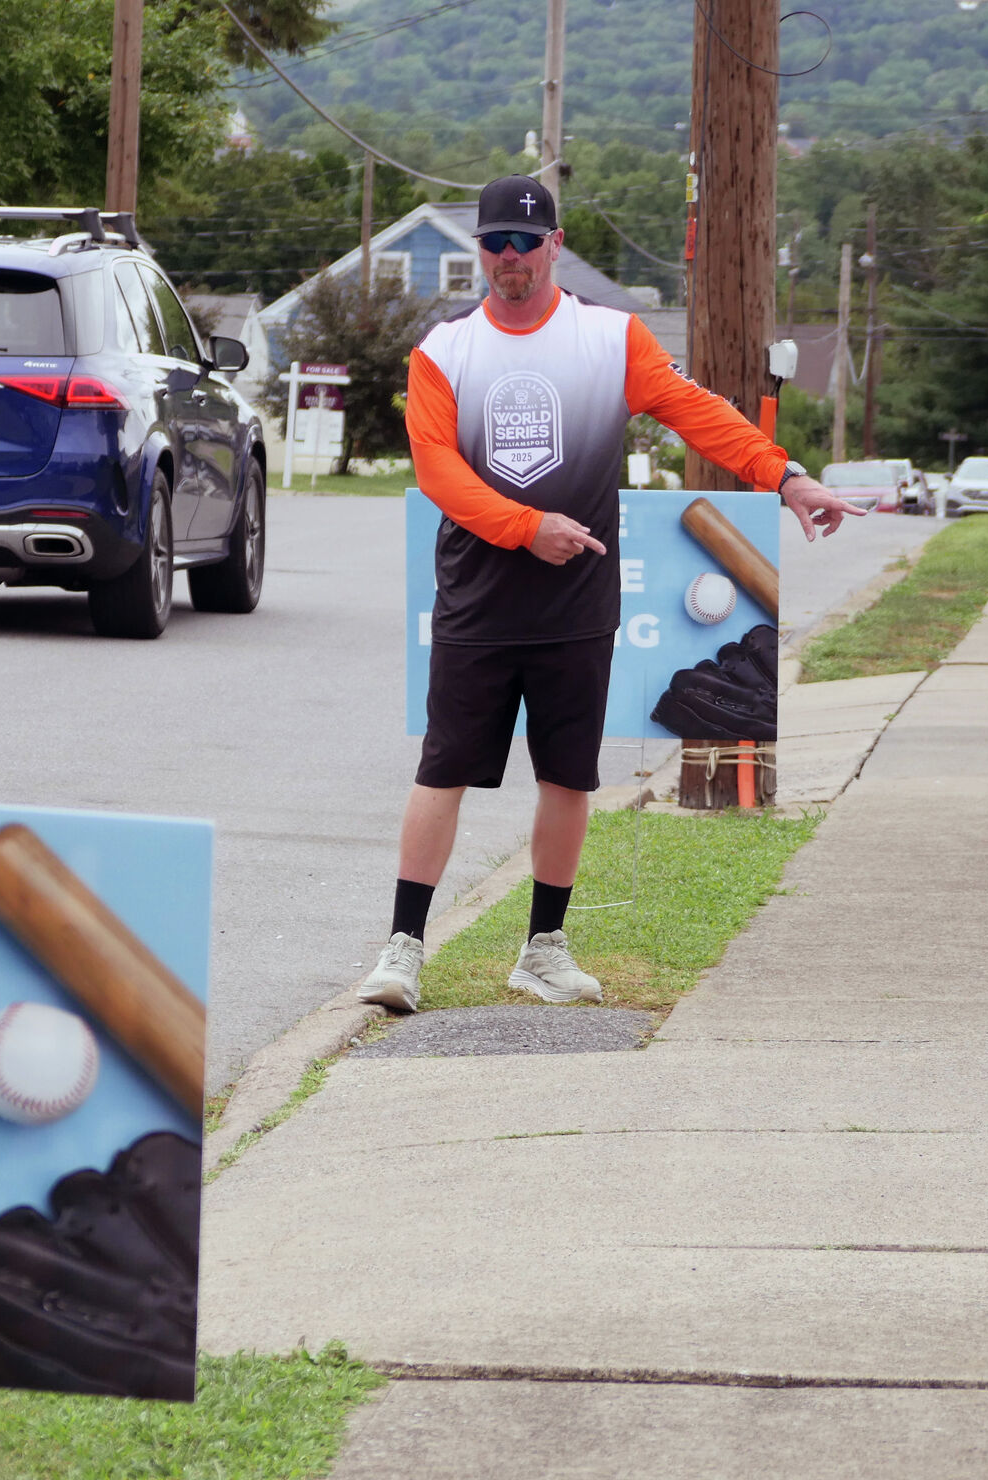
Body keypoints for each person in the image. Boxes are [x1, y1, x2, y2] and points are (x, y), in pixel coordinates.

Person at [356, 174, 862, 1013]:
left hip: (576, 606)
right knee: (442, 770)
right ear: (479, 251)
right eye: (494, 243)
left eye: (526, 242)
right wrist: (526, 528)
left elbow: (697, 412)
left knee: (567, 778)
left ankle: (543, 950)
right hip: (478, 606)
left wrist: (788, 478)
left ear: (556, 246)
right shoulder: (443, 352)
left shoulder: (610, 338)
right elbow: (440, 474)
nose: (509, 258)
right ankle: (403, 951)